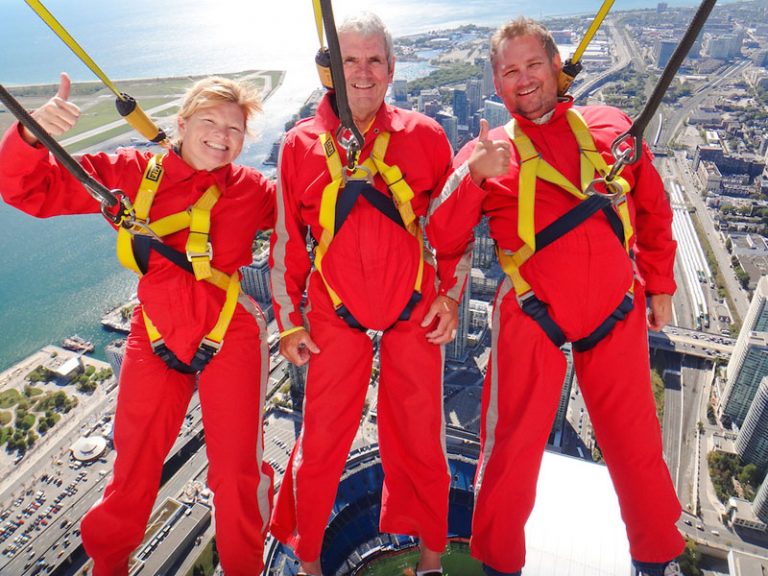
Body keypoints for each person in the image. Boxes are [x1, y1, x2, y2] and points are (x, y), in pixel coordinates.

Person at [426, 17, 686, 576]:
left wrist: (660, 283)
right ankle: (499, 564)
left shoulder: (609, 126)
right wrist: (474, 178)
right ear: (497, 84)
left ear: (556, 68)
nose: (523, 80)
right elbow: (442, 236)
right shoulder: (484, 150)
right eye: (509, 71)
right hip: (531, 311)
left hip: (615, 308)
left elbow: (652, 206)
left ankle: (656, 558)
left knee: (635, 444)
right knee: (509, 453)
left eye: (533, 65)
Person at [0, 74, 275, 575]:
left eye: (234, 128)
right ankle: (109, 566)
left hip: (230, 329)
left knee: (237, 474)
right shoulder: (130, 174)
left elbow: (310, 220)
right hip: (156, 332)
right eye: (209, 121)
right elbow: (31, 191)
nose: (221, 135)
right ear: (182, 123)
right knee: (131, 470)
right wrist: (31, 138)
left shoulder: (252, 190)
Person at [268, 11, 460, 576]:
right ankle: (307, 564)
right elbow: (287, 245)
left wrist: (449, 297)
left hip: (413, 312)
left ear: (392, 68)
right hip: (335, 314)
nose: (363, 71)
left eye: (374, 59)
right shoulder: (300, 145)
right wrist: (289, 321)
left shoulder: (424, 136)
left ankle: (429, 561)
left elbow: (450, 230)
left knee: (424, 441)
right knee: (320, 447)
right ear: (331, 69)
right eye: (350, 59)